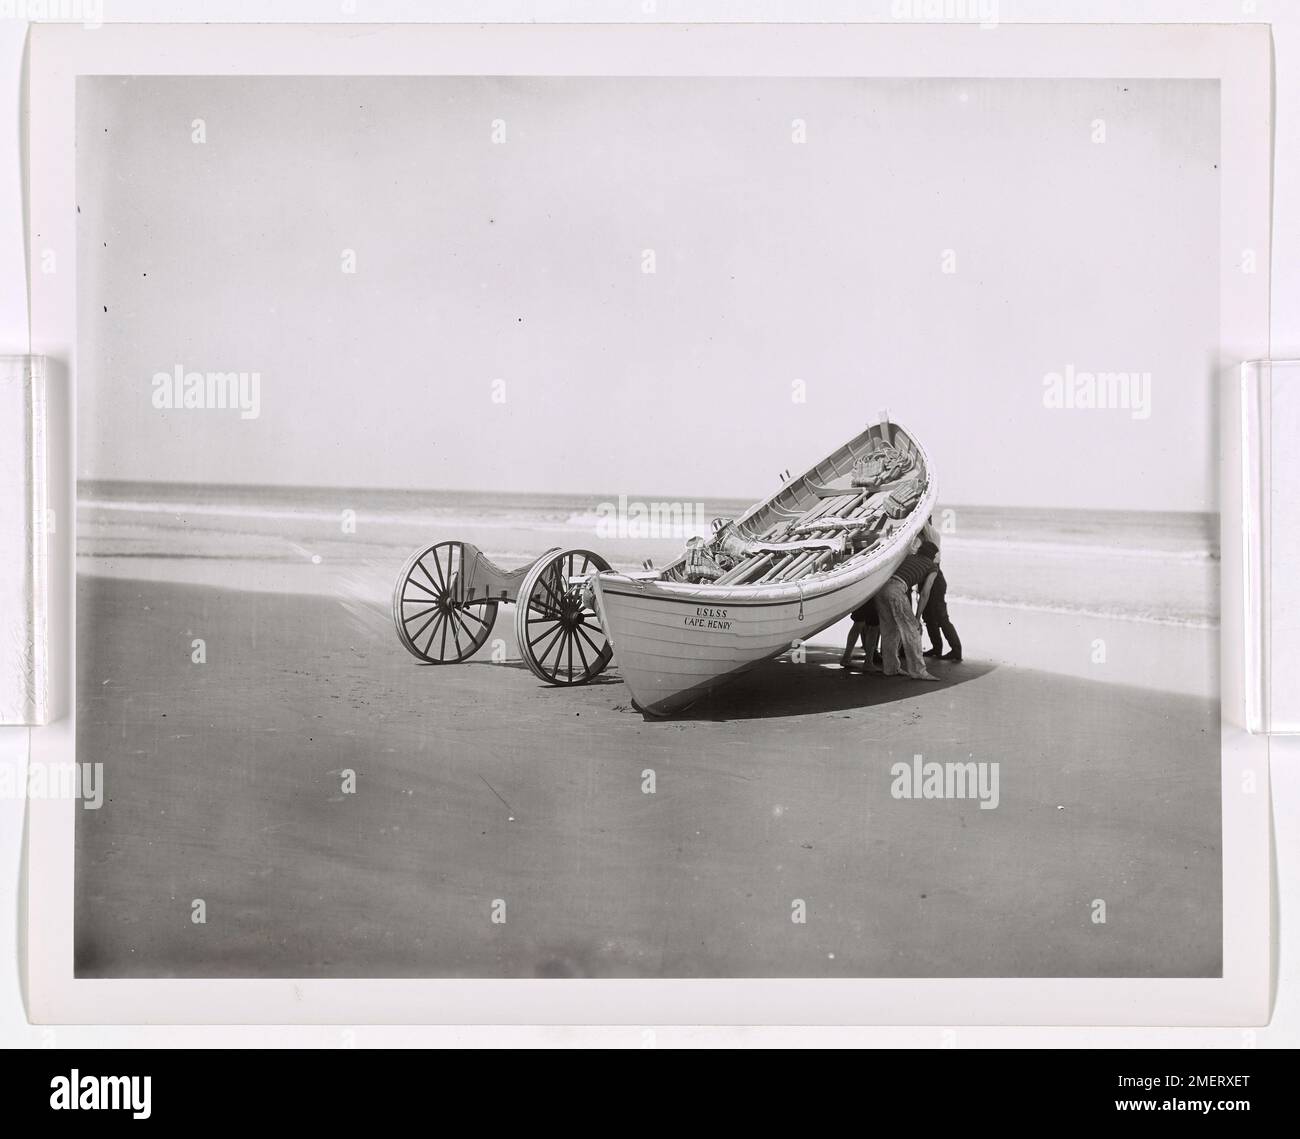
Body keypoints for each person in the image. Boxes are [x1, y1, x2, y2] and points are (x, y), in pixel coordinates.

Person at [875, 538, 941, 681]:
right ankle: (919, 671)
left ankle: (890, 669)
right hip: (896, 589)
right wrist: (917, 618)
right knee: (913, 632)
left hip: (880, 589)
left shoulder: (910, 557)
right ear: (933, 555)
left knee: (890, 630)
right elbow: (924, 593)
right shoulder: (932, 567)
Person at [917, 517, 962, 662]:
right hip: (928, 574)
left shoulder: (932, 533)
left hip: (935, 575)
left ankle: (956, 650)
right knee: (929, 617)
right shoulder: (925, 536)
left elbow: (921, 520)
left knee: (941, 617)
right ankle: (937, 649)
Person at [841, 595, 881, 670]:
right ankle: (868, 662)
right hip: (871, 593)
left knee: (858, 623)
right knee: (873, 627)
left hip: (860, 593)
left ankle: (846, 658)